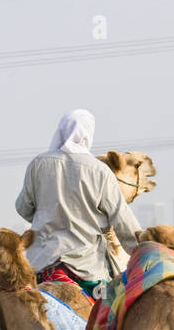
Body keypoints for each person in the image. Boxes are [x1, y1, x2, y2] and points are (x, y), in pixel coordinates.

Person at [15, 108, 142, 295]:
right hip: (89, 269)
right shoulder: (100, 171)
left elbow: (23, 209)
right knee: (115, 314)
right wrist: (143, 251)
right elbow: (122, 219)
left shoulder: (38, 164)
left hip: (42, 266)